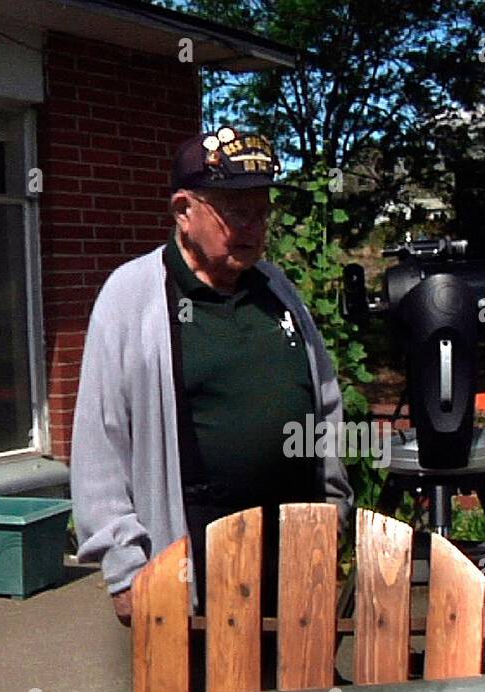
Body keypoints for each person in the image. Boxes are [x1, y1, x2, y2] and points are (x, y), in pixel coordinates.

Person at [71, 126, 353, 640]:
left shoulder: (276, 288)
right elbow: (99, 439)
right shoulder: (132, 296)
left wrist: (334, 504)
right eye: (235, 211)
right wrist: (123, 565)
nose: (253, 226)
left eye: (261, 211)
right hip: (193, 562)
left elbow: (324, 398)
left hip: (292, 552)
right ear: (184, 210)